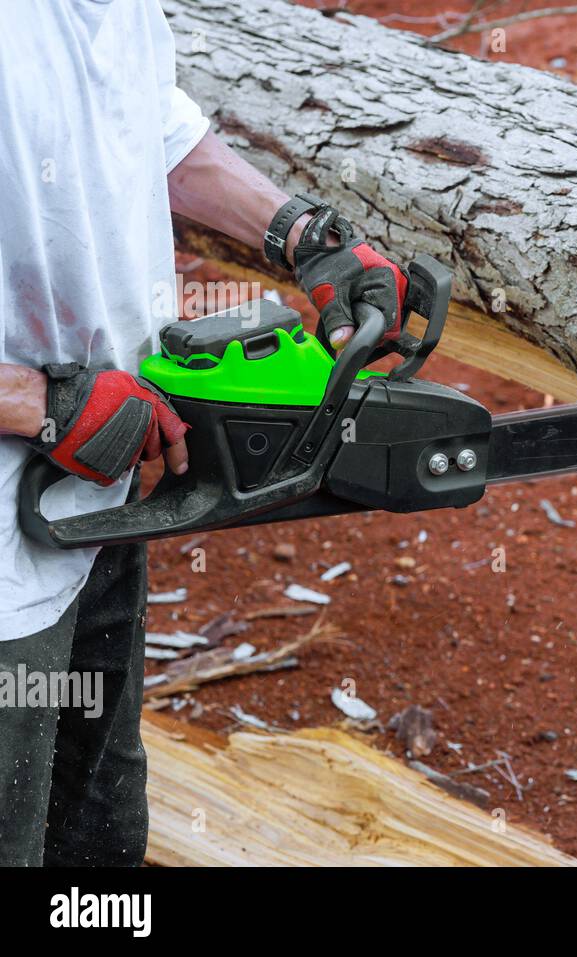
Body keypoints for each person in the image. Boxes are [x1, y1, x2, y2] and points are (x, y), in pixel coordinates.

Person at [0, 0, 407, 865]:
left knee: (98, 851)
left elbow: (150, 126)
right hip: (23, 516)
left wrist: (305, 236)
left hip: (94, 489)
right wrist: (34, 401)